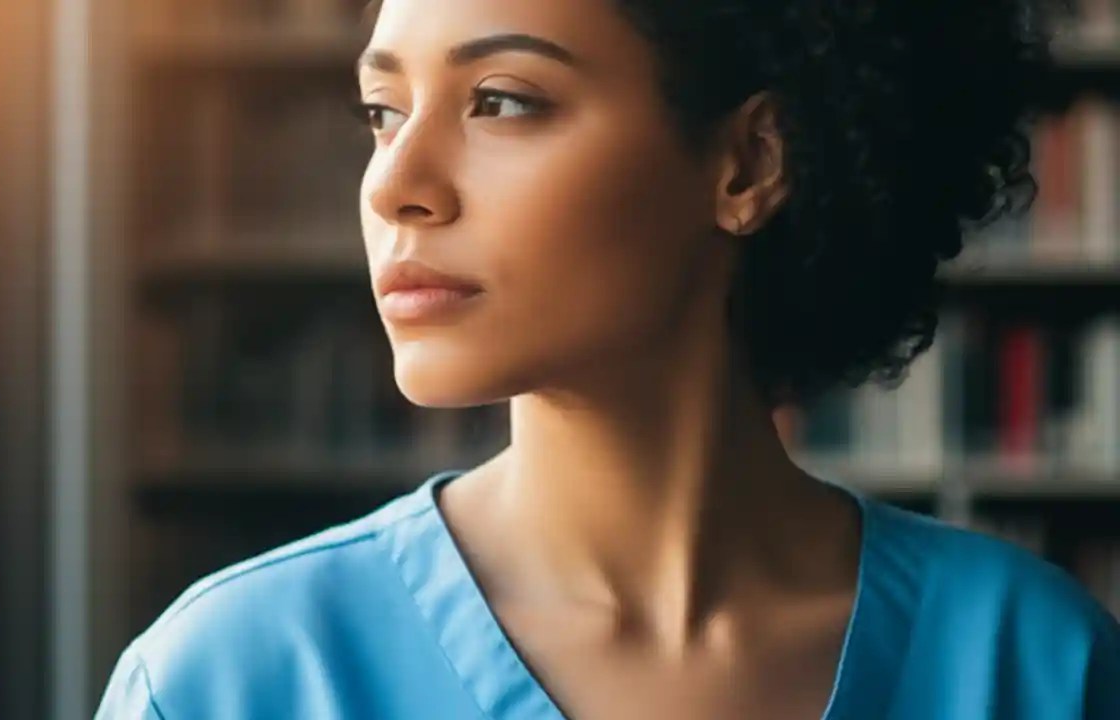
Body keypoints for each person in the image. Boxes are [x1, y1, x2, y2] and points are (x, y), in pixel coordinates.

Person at [96, 0, 1120, 717]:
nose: (394, 184)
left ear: (750, 163)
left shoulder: (1029, 667)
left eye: (498, 100)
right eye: (382, 112)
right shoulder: (229, 683)